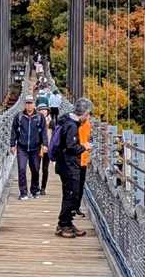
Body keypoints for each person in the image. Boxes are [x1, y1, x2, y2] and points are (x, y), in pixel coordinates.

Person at [52, 98, 93, 237]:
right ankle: (63, 225)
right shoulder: (72, 126)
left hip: (66, 165)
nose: (88, 118)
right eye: (88, 115)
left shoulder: (67, 121)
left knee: (71, 194)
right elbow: (71, 147)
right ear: (84, 113)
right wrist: (84, 147)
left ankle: (68, 223)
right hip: (68, 165)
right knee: (70, 195)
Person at [9, 94, 48, 200]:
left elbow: (44, 132)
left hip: (35, 148)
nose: (29, 105)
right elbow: (14, 131)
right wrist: (12, 144)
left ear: (34, 104)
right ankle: (23, 192)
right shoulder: (19, 116)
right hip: (22, 147)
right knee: (21, 169)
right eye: (27, 103)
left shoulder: (40, 117)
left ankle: (34, 190)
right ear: (24, 104)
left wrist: (45, 144)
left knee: (35, 169)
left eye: (30, 103)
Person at [35, 101, 53, 197]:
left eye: (45, 110)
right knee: (35, 168)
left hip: (48, 147)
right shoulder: (35, 121)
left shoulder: (51, 122)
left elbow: (56, 135)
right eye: (41, 110)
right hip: (37, 147)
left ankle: (43, 188)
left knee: (45, 169)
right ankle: (36, 186)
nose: (43, 111)